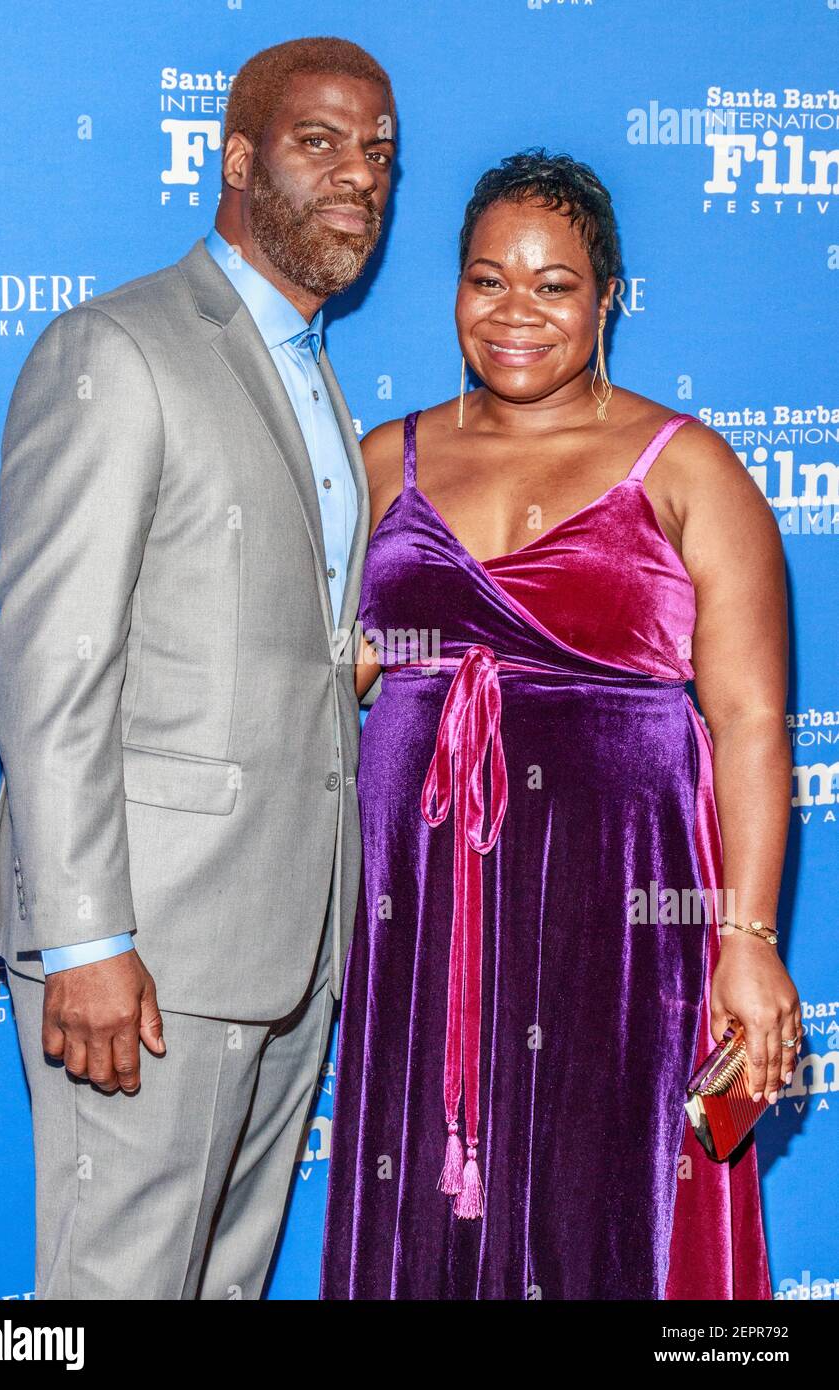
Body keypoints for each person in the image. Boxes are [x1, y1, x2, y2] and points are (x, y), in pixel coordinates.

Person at [0, 36, 396, 1300]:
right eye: (320, 142)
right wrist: (91, 938)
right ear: (238, 157)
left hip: (284, 940)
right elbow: (54, 671)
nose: (356, 176)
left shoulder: (315, 378)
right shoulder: (120, 347)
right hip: (145, 951)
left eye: (377, 153)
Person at [320, 148, 799, 1300]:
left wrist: (748, 936)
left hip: (622, 895)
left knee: (601, 1185)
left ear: (607, 298)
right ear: (454, 291)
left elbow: (748, 722)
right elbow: (326, 685)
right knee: (424, 1177)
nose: (515, 312)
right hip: (422, 895)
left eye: (554, 284)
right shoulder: (389, 459)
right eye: (488, 280)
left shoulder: (686, 466)